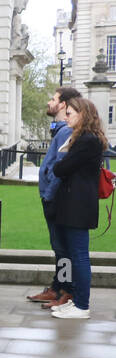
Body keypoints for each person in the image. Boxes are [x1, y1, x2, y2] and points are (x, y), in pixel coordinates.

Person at [50, 97, 107, 319]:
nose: (66, 117)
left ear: (83, 114)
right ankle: (75, 299)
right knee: (73, 255)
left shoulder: (88, 140)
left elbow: (60, 168)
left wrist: (61, 160)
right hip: (73, 205)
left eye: (70, 113)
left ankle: (82, 305)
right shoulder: (83, 138)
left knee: (80, 256)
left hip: (78, 206)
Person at [29, 87, 83, 307]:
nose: (49, 102)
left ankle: (66, 291)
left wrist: (49, 196)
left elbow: (59, 168)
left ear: (63, 105)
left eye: (53, 99)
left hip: (57, 198)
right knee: (59, 247)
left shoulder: (67, 131)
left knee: (63, 248)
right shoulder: (61, 130)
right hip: (54, 196)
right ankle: (59, 287)